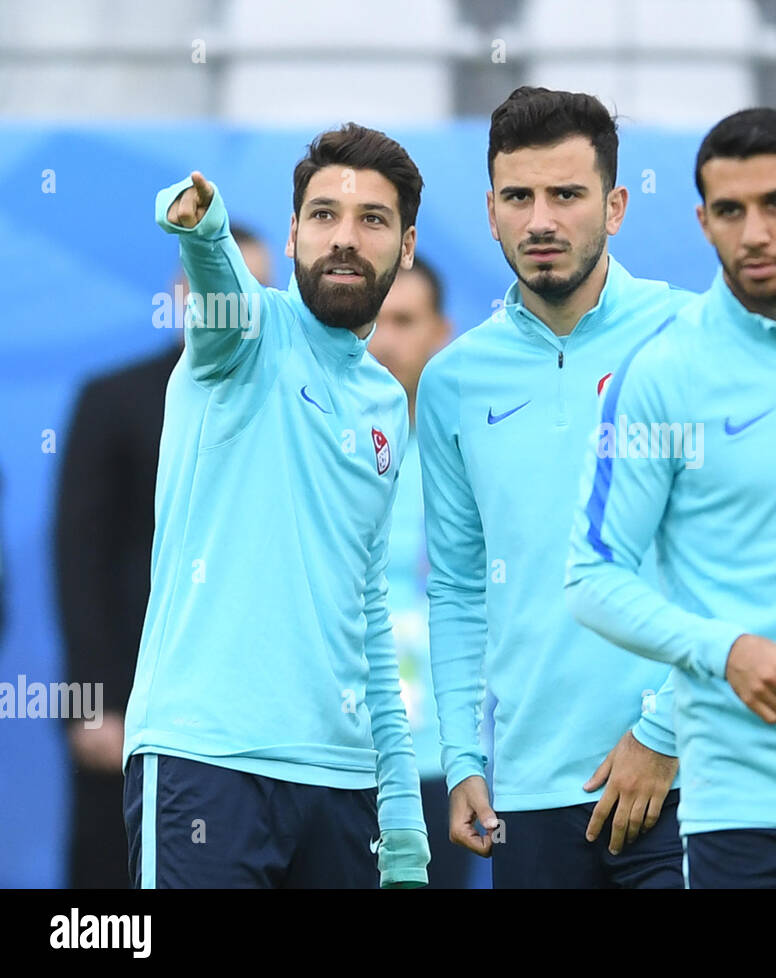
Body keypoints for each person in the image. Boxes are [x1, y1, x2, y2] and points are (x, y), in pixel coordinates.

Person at [567, 107, 776, 888]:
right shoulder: (662, 372)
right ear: (703, 222)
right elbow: (591, 578)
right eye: (730, 211)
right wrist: (725, 649)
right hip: (747, 810)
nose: (754, 232)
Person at [122, 123, 429, 888]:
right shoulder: (244, 334)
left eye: (372, 220)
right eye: (323, 216)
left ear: (408, 247)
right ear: (292, 235)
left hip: (345, 785)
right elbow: (221, 287)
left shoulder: (387, 403)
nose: (344, 239)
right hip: (208, 764)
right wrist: (204, 226)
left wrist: (400, 815)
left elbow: (365, 612)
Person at [417, 87, 694, 888]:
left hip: (684, 781)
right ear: (492, 209)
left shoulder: (691, 340)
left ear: (614, 207)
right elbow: (461, 587)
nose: (541, 219)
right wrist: (463, 757)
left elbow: (744, 556)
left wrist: (665, 732)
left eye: (566, 195)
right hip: (530, 796)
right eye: (519, 197)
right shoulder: (452, 381)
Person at [56, 227, 272, 889]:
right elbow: (79, 557)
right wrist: (92, 701)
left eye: (250, 289)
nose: (233, 300)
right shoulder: (114, 398)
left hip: (258, 713)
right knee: (112, 882)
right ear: (182, 293)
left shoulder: (293, 404)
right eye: (215, 284)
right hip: (131, 705)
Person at [367, 254, 469, 887]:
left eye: (404, 321)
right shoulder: (309, 443)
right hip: (334, 757)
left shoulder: (474, 454)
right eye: (374, 320)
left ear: (443, 333)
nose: (384, 341)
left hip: (439, 763)